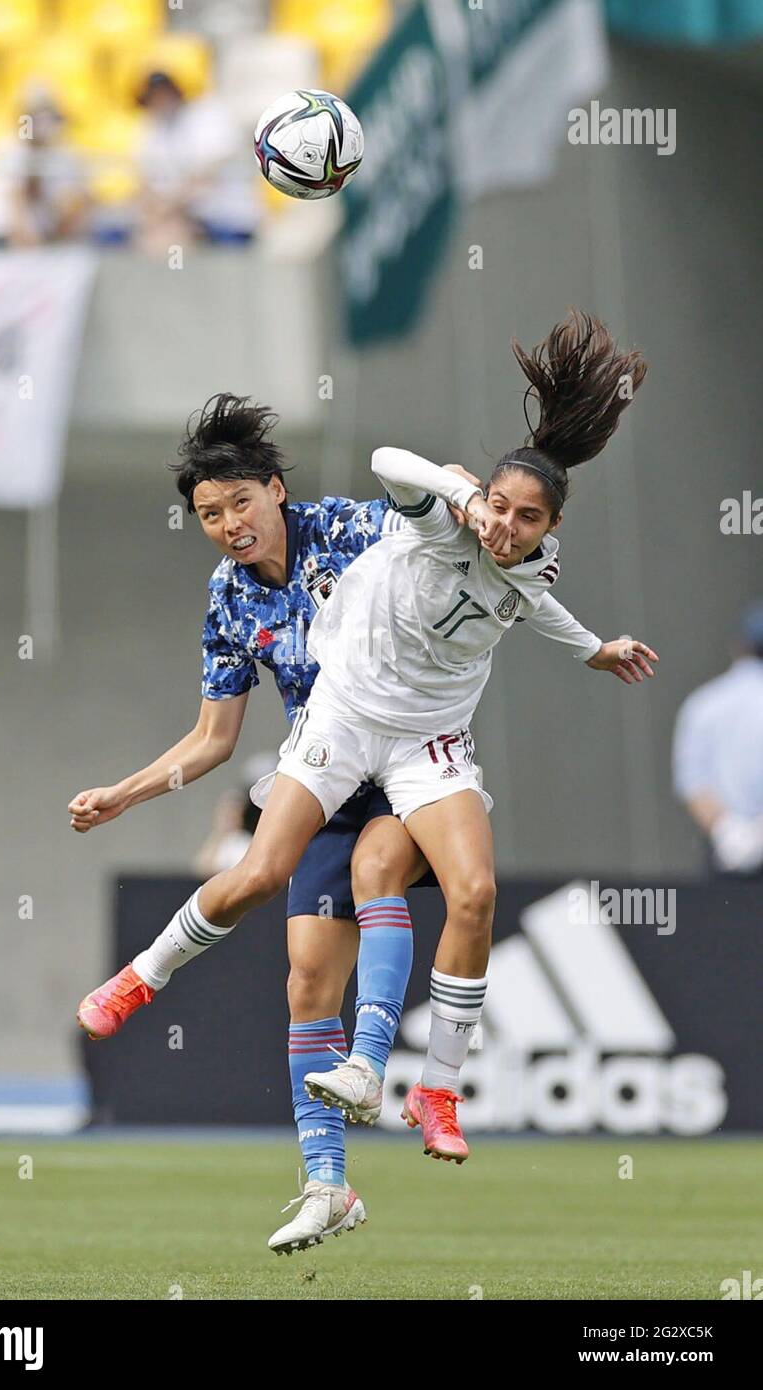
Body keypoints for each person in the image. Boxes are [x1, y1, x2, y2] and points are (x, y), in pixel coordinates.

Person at [75, 312, 658, 1250]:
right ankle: (326, 1188)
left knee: (384, 877)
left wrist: (471, 495)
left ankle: (398, 1075)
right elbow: (212, 738)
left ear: (274, 488)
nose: (228, 526)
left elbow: (468, 542)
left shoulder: (351, 525)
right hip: (327, 754)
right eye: (208, 516)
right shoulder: (228, 600)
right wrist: (125, 791)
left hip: (410, 759)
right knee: (306, 974)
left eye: (239, 504)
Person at [672, 600, 763, 877]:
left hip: (727, 852)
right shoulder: (705, 704)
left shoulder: (704, 703)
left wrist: (728, 830)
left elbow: (693, 780)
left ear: (738, 647)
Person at [135, 70, 259, 253]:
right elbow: (146, 181)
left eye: (162, 94)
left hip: (226, 216)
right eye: (154, 97)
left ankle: (175, 271)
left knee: (169, 238)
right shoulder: (154, 127)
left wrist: (166, 209)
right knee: (153, 238)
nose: (159, 101)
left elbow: (207, 176)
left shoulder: (207, 117)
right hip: (186, 217)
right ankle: (172, 272)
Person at [0, 83, 89, 250]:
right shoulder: (12, 149)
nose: (43, 123)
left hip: (35, 241)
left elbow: (71, 203)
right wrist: (34, 249)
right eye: (35, 117)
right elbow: (16, 207)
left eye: (48, 115)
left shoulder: (58, 153)